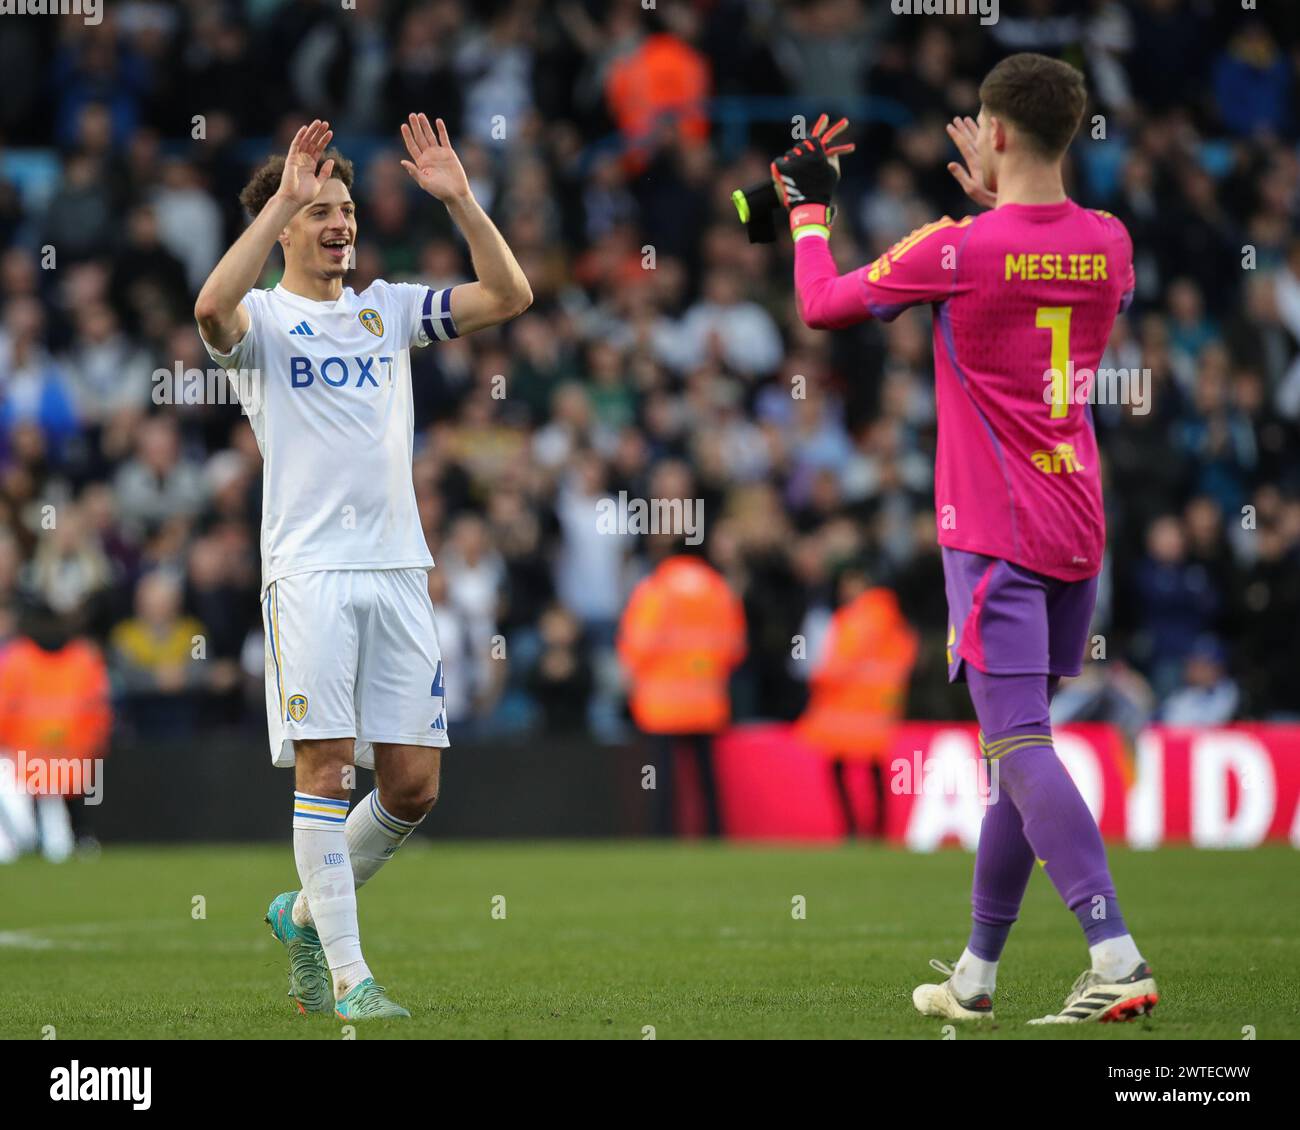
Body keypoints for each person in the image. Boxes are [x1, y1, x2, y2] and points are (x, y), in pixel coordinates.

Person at [773, 54, 1157, 1024]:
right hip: (1075, 524)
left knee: (1020, 745)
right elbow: (1040, 265)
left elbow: (822, 304)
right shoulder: (1110, 242)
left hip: (991, 532)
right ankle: (975, 976)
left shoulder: (955, 248)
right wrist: (1000, 205)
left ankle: (1112, 952)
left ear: (989, 135)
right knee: (1014, 751)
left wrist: (806, 210)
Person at [194, 116, 530, 1020]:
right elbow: (208, 310)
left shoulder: (386, 310)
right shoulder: (262, 319)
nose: (340, 222)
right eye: (320, 211)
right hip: (308, 573)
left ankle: (300, 914)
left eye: (345, 208)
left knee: (414, 786)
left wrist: (459, 197)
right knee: (327, 766)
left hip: (395, 570)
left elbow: (508, 296)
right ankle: (351, 979)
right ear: (286, 228)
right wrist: (278, 206)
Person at [617, 540, 746, 837]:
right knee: (706, 775)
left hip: (662, 701)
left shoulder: (655, 589)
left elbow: (639, 642)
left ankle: (662, 833)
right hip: (706, 698)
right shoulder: (719, 590)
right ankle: (715, 832)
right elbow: (735, 648)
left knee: (661, 774)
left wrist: (632, 674)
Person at [795, 565, 917, 839]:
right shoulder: (892, 617)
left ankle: (854, 828)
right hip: (876, 709)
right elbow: (905, 656)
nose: (845, 589)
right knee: (873, 768)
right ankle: (877, 829)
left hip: (848, 708)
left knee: (839, 767)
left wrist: (814, 677)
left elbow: (839, 662)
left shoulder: (856, 618)